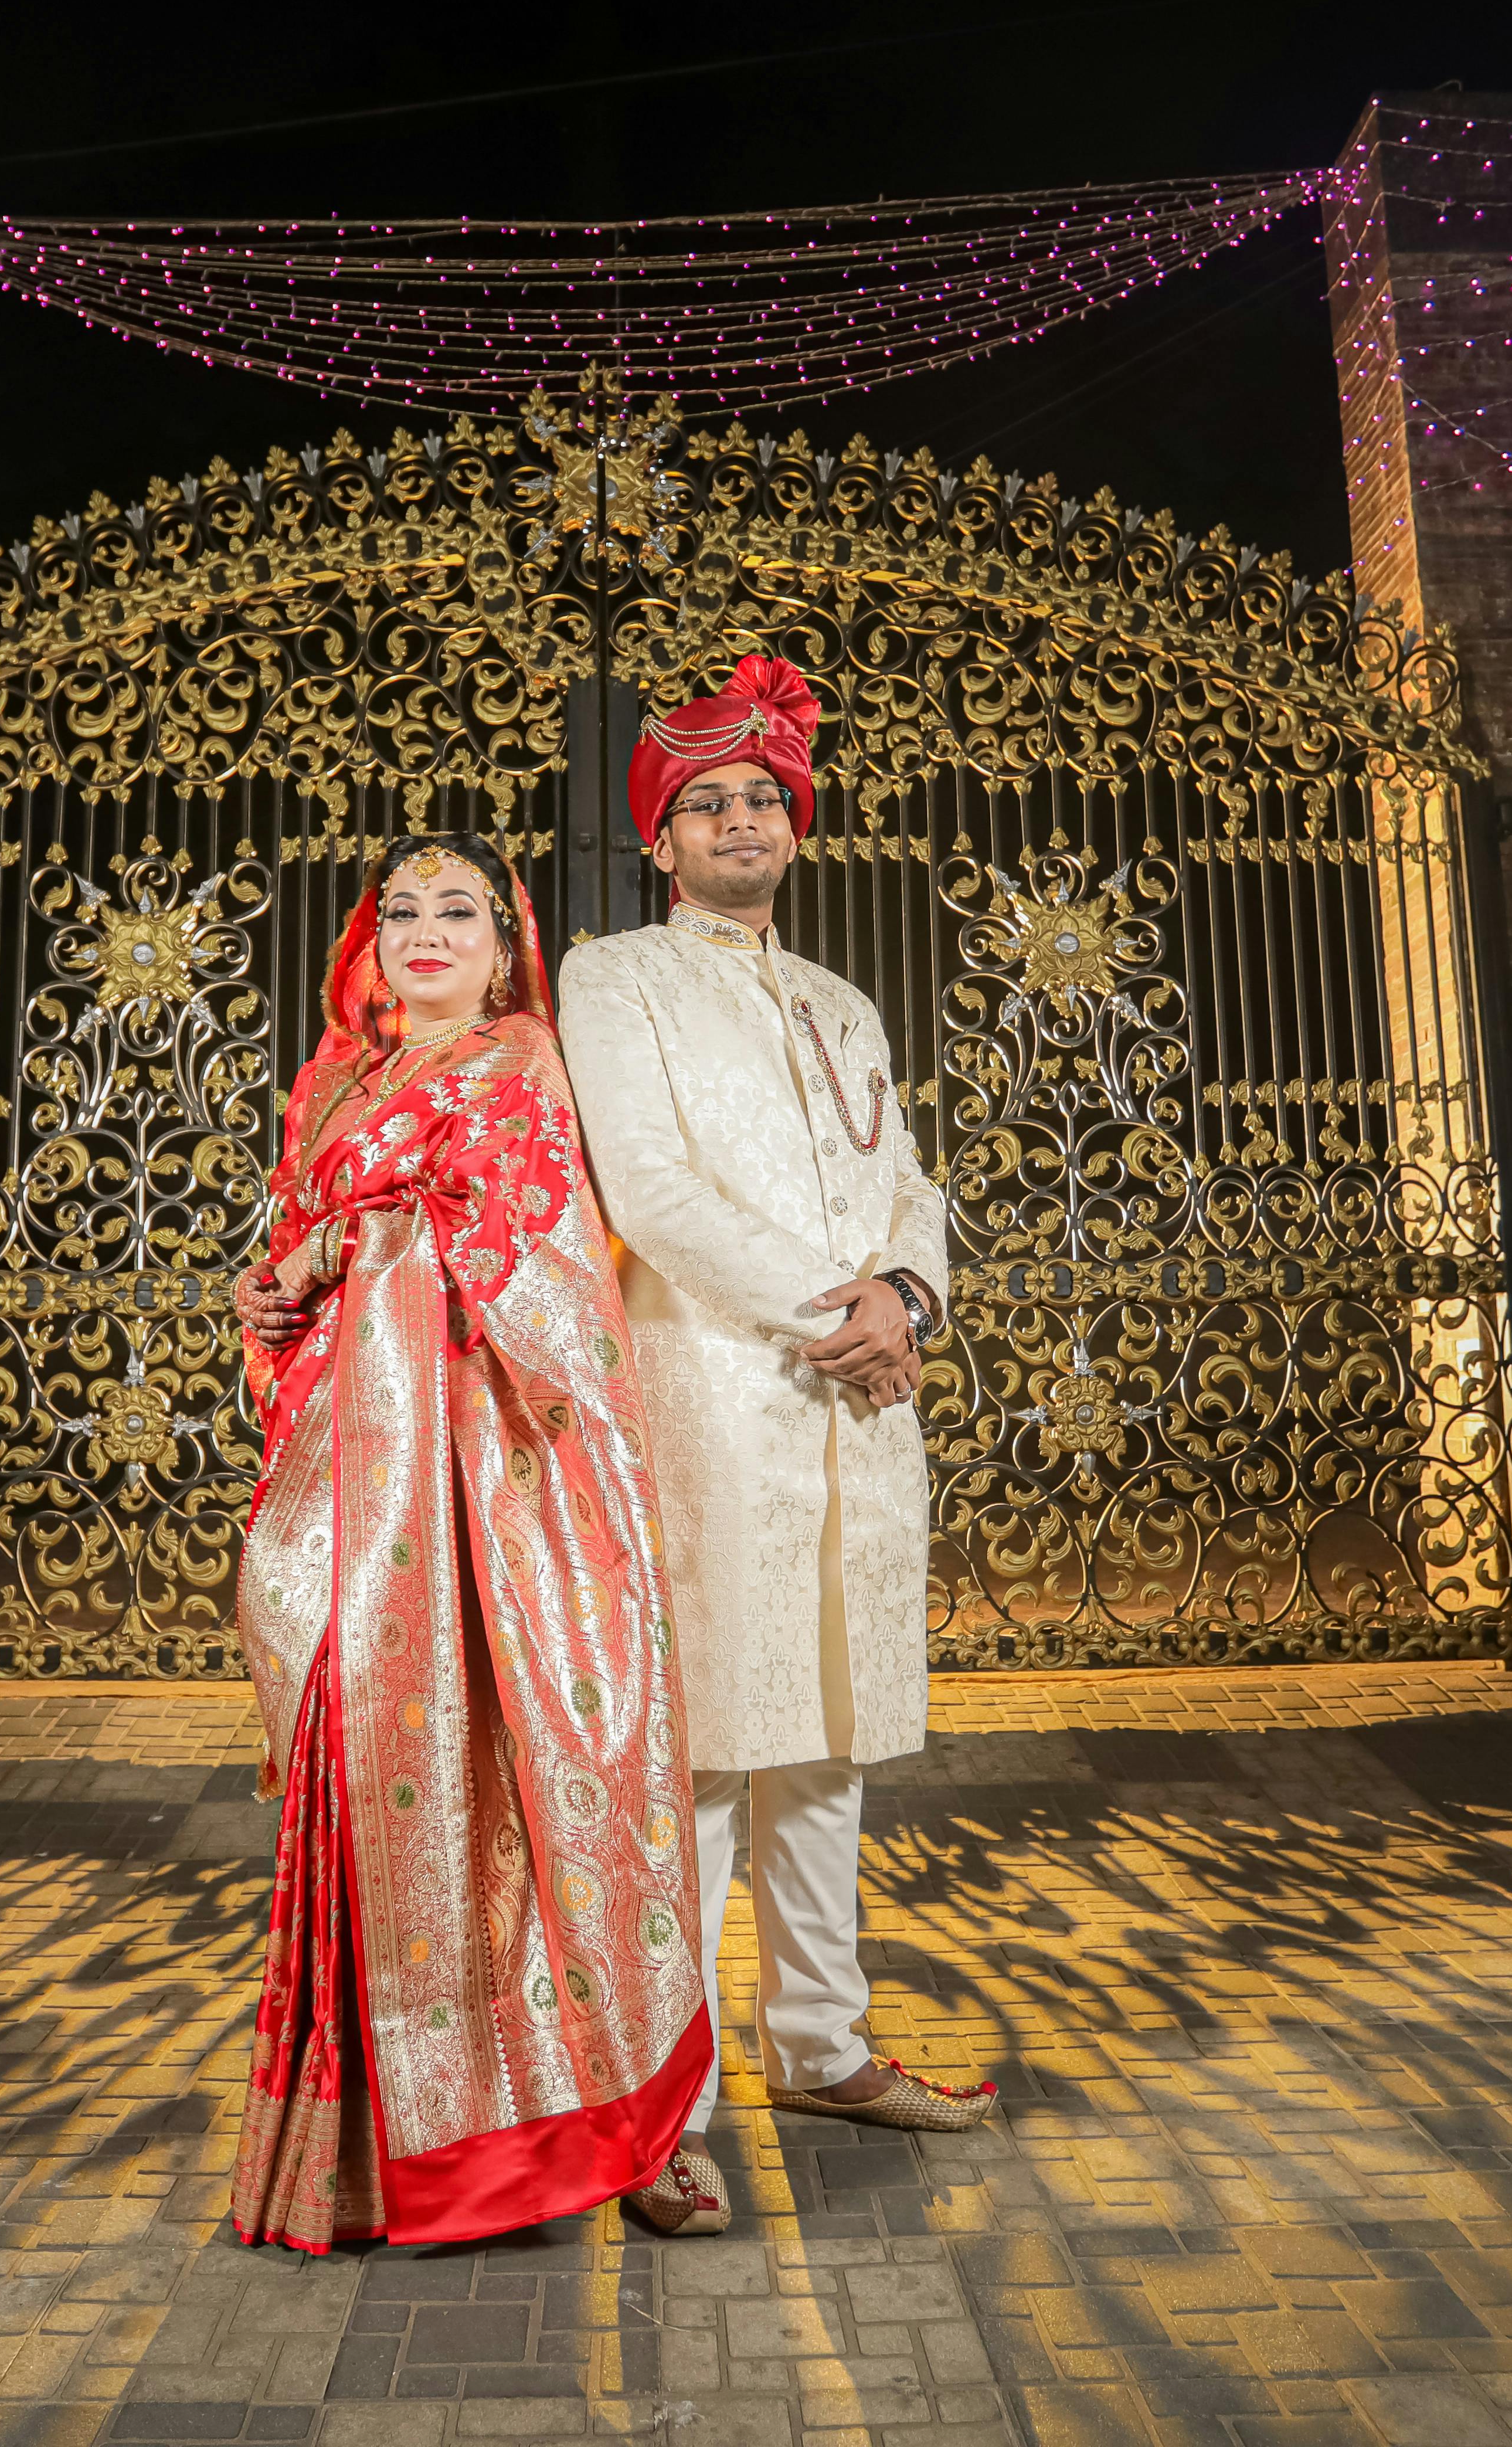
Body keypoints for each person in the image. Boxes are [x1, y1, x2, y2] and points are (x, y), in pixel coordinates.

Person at [553, 654, 1000, 2243]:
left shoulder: (841, 1002)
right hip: (712, 1402)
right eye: (709, 803)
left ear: (798, 830)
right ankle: (654, 2111)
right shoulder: (615, 980)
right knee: (698, 1765)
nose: (741, 818)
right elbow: (651, 1195)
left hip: (856, 1412)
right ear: (661, 842)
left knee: (825, 1752)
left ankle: (820, 2048)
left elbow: (912, 1189)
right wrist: (841, 1314)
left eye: (765, 798)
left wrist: (908, 1294)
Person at [223, 835, 715, 2254]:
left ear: (509, 950)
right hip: (348, 1478)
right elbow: (294, 1251)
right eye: (404, 913)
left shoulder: (522, 1071)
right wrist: (272, 1294)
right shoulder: (336, 1084)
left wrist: (352, 1253)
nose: (430, 931)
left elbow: (536, 1262)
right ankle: (381, 2141)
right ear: (369, 948)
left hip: (483, 1489)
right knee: (356, 1769)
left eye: (464, 912)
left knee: (510, 1778)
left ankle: (575, 2130)